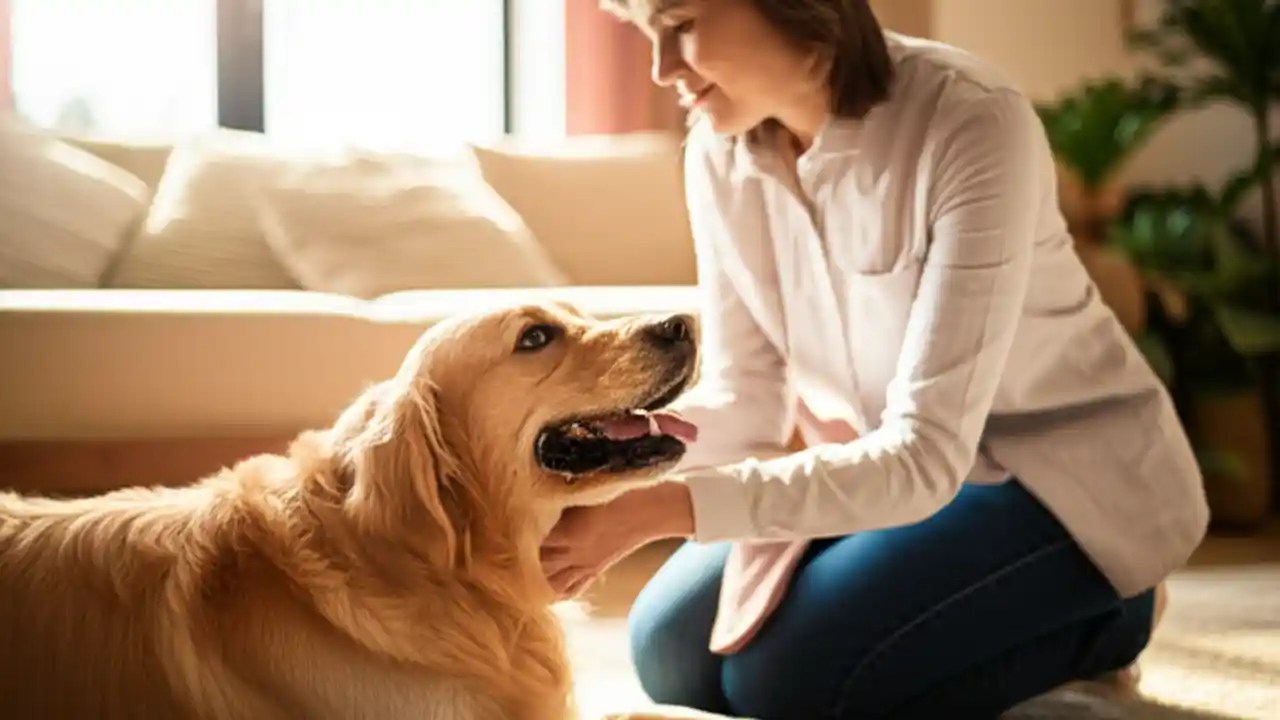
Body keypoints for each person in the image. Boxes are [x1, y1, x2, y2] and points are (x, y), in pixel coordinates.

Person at [538, 1, 1209, 717]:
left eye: (680, 23)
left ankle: (1112, 613)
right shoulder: (719, 151)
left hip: (1060, 484)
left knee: (789, 683)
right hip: (892, 475)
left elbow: (925, 451)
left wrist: (662, 507)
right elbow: (749, 400)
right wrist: (606, 466)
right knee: (669, 653)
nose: (661, 67)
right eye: (645, 35)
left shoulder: (971, 120)